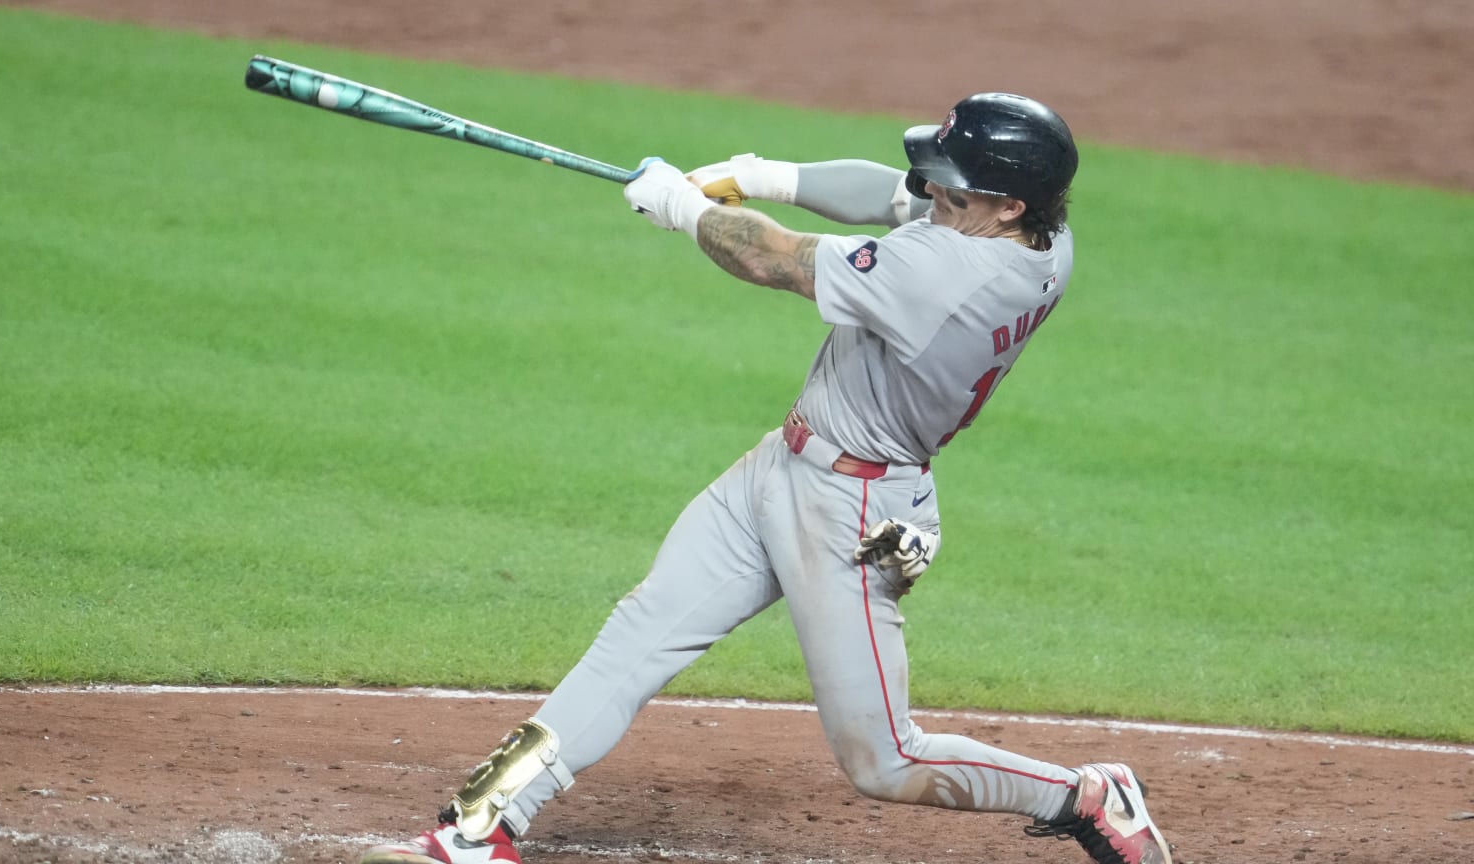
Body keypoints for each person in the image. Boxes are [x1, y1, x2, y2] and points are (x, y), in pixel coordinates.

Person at [360, 93, 1173, 864]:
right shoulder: (1036, 237)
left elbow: (767, 256)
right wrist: (756, 175)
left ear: (1007, 206)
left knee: (883, 760)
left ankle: (1087, 796)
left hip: (854, 513)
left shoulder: (944, 274)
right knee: (639, 634)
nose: (932, 190)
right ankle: (481, 827)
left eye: (953, 187)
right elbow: (892, 193)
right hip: (780, 467)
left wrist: (682, 208)